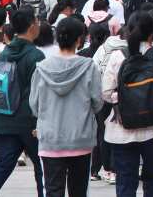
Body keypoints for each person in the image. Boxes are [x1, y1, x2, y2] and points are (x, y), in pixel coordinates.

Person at [102, 11, 153, 197]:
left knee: (125, 183)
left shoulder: (117, 57)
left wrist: (122, 99)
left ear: (128, 30)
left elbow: (105, 93)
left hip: (121, 131)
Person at [30, 17, 103, 197]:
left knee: (53, 190)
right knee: (78, 191)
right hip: (81, 138)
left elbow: (34, 105)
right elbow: (98, 102)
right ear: (79, 40)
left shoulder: (42, 68)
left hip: (51, 139)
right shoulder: (88, 67)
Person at [0, 7, 46, 197]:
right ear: (32, 26)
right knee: (41, 168)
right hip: (29, 122)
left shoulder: (4, 54)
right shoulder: (36, 56)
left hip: (4, 119)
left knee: (2, 166)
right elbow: (39, 93)